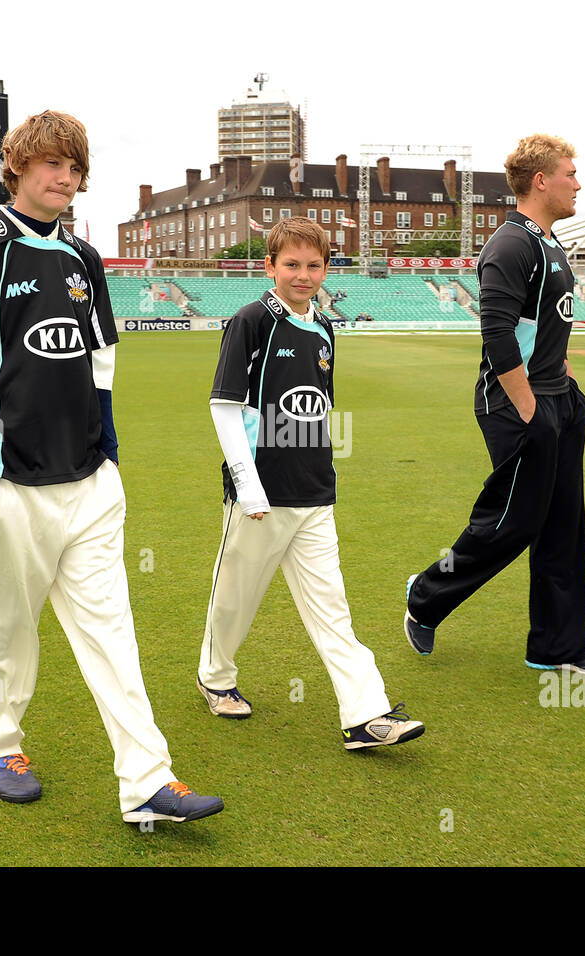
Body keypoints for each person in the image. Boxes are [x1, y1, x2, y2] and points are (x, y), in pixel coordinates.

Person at [0, 110, 223, 824]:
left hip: (92, 481)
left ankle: (147, 781)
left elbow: (100, 368)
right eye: (52, 165)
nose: (65, 178)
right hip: (14, 484)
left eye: (75, 168)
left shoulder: (83, 261)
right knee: (7, 630)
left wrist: (112, 459)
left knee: (113, 633)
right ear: (18, 167)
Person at [197, 216, 425, 750]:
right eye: (292, 265)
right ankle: (216, 677)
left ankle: (366, 716)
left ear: (326, 268)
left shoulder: (324, 329)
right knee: (236, 600)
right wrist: (247, 485)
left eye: (314, 265)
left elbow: (316, 409)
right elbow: (225, 408)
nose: (303, 275)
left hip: (314, 492)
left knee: (334, 609)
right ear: (271, 266)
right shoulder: (252, 320)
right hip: (261, 494)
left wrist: (326, 466)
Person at [403, 134, 585, 675]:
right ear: (541, 180)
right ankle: (425, 596)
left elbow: (543, 324)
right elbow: (496, 333)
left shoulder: (550, 244)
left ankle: (557, 647)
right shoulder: (511, 244)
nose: (578, 183)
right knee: (513, 521)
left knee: (563, 524)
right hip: (517, 404)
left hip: (558, 399)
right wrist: (528, 408)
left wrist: (565, 383)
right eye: (570, 173)